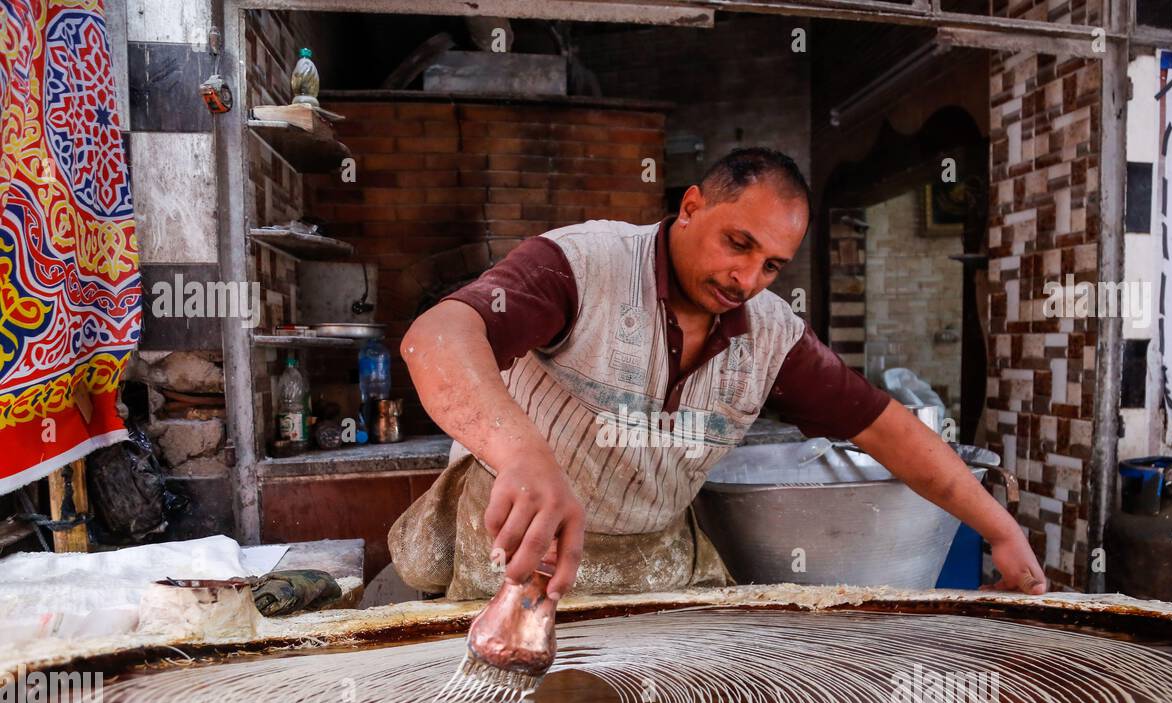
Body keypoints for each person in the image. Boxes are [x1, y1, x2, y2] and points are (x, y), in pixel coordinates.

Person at [391, 147, 1047, 601]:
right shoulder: (581, 266)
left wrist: (999, 528)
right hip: (519, 556)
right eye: (738, 243)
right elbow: (437, 338)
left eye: (772, 266)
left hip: (658, 567)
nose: (748, 278)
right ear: (692, 205)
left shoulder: (770, 336)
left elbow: (886, 429)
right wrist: (523, 455)